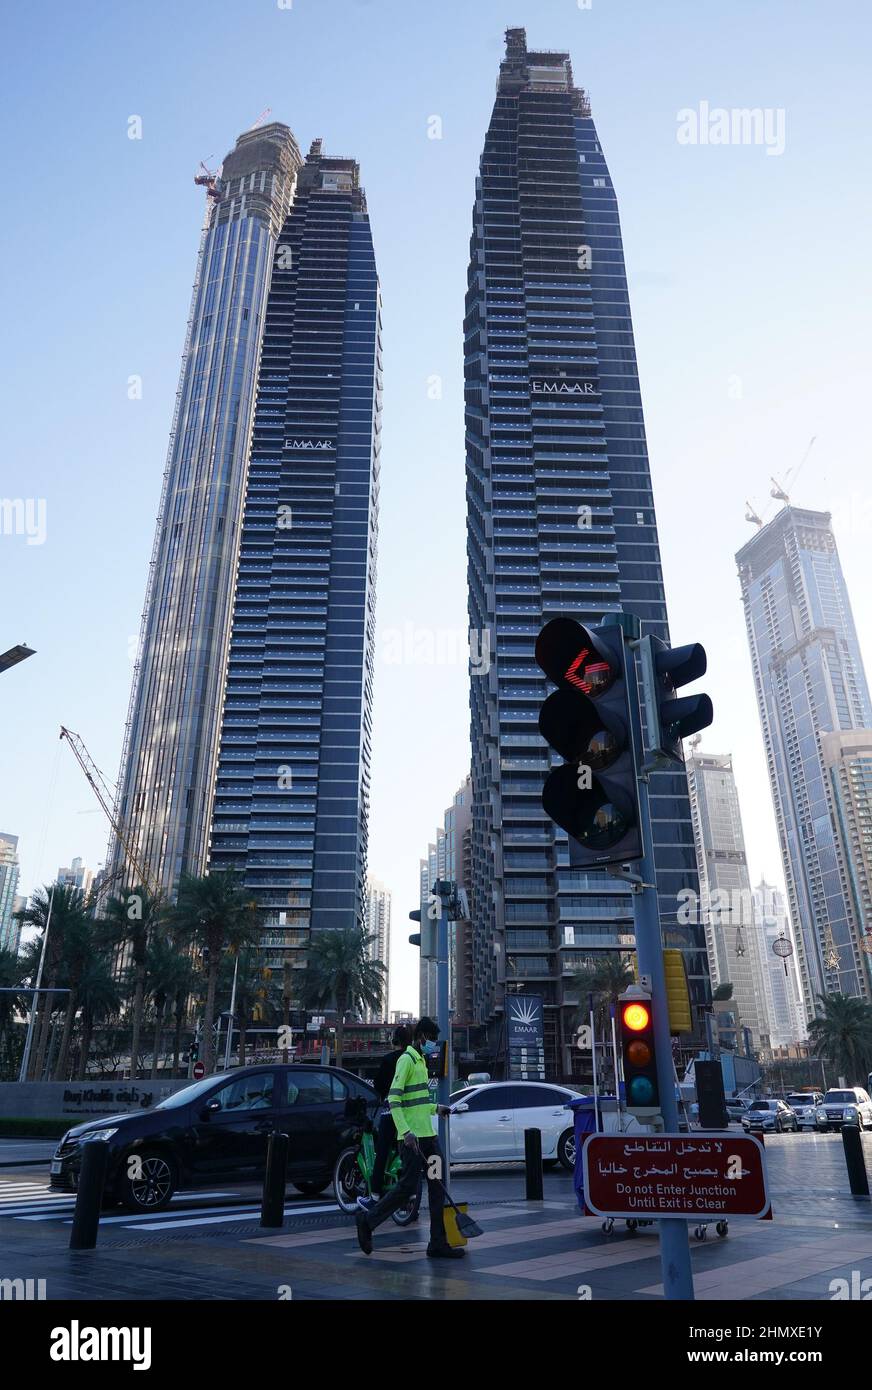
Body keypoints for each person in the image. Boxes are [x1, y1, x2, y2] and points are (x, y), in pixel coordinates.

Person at [355, 1016, 462, 1260]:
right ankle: (367, 1221)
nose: (434, 1044)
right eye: (432, 1040)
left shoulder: (422, 1061)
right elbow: (394, 1099)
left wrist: (437, 1108)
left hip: (428, 1138)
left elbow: (418, 1102)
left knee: (437, 1186)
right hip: (413, 1140)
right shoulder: (406, 1061)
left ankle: (437, 1243)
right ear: (421, 1037)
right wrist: (405, 1132)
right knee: (406, 1188)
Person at [357, 1024, 411, 1210]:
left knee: (382, 1152)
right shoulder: (414, 1059)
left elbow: (379, 1086)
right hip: (409, 1114)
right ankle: (408, 1197)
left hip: (391, 1113)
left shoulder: (389, 1059)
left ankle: (374, 1195)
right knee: (405, 1154)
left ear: (393, 1040)